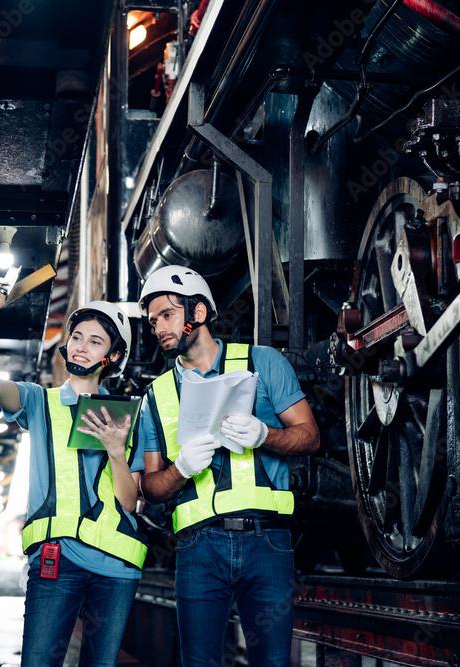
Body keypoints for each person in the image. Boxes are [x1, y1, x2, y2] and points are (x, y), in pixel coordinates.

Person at [0, 300, 147, 667]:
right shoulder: (40, 402)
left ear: (114, 355)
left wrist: (116, 451)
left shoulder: (128, 418)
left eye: (95, 342)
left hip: (116, 565)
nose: (81, 347)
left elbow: (129, 501)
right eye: (77, 337)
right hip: (57, 557)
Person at [136, 265, 320, 667]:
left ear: (198, 312)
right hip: (197, 549)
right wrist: (181, 469)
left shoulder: (263, 362)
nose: (159, 328)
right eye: (153, 321)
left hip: (267, 542)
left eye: (168, 315)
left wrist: (264, 435)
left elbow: (309, 436)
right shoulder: (156, 396)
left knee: (272, 663)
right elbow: (149, 489)